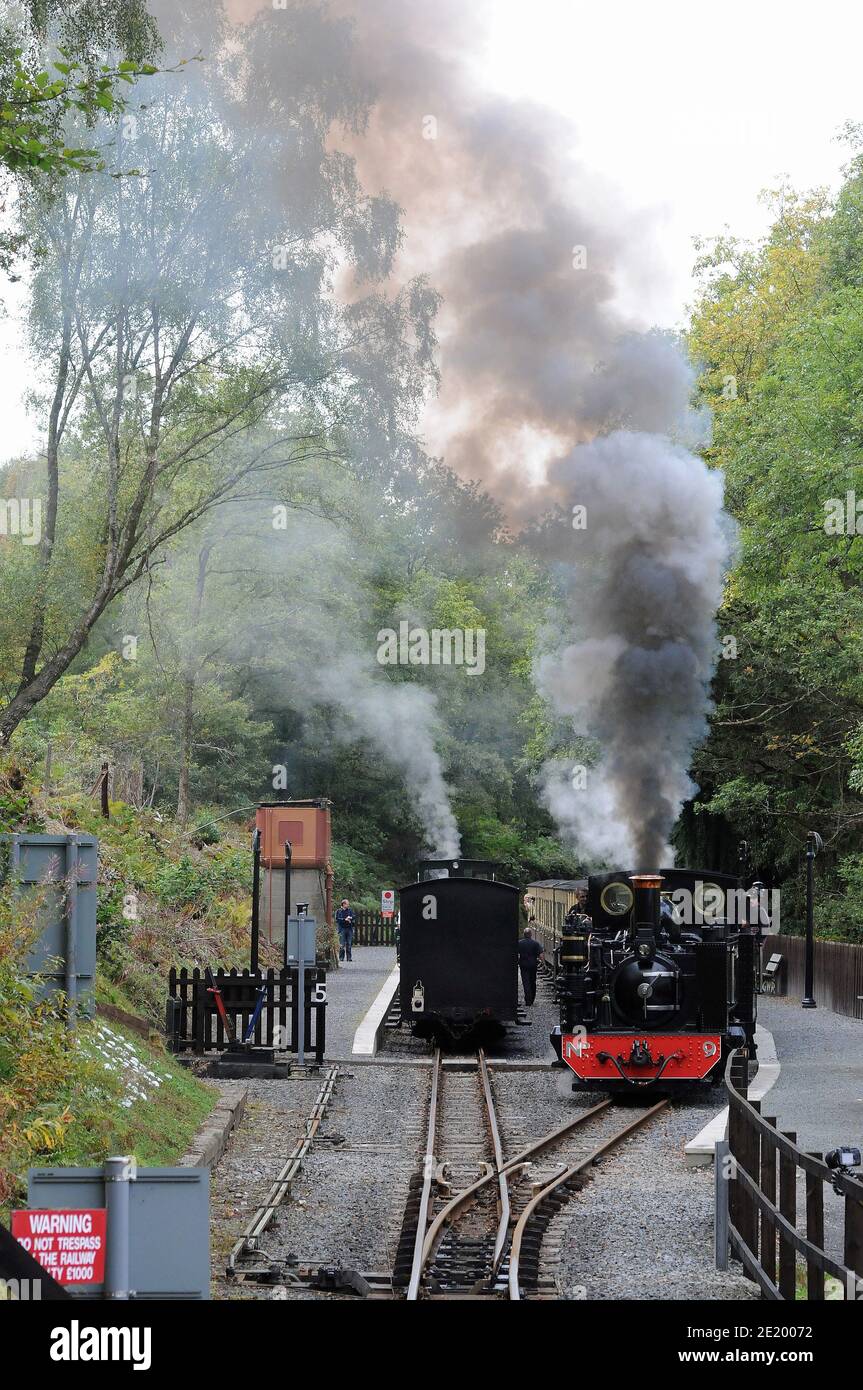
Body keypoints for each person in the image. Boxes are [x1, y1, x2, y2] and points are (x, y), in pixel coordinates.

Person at [518, 926, 544, 1006]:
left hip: (523, 965)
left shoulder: (519, 943)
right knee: (532, 982)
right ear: (531, 934)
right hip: (533, 965)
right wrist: (543, 963)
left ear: (524, 934)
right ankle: (532, 999)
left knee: (526, 982)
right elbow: (541, 955)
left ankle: (528, 1000)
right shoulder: (535, 943)